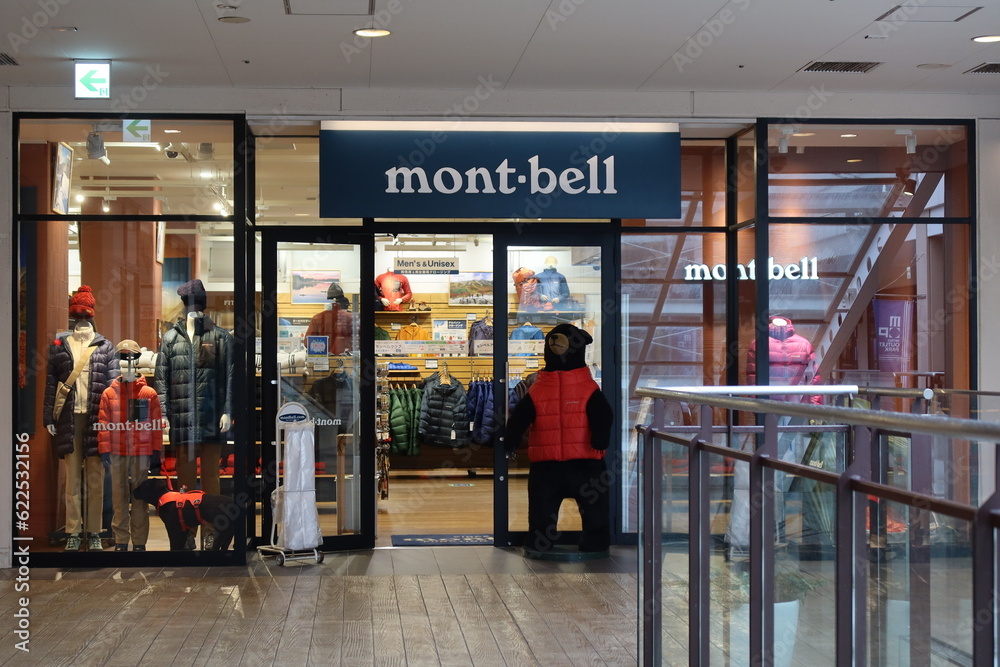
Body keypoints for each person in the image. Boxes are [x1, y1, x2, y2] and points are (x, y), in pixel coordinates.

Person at [504, 323, 613, 553]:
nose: (555, 342)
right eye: (552, 339)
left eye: (561, 339)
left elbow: (603, 415)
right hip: (547, 463)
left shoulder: (587, 387)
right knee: (542, 509)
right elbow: (521, 416)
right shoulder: (540, 387)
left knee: (594, 507)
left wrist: (601, 439)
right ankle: (539, 542)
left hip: (585, 461)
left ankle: (596, 541)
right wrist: (510, 438)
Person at [154, 279, 233, 549]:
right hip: (181, 419)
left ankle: (211, 532)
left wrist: (227, 411)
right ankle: (185, 531)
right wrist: (164, 414)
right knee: (184, 481)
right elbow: (161, 379)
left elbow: (230, 378)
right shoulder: (170, 338)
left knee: (212, 476)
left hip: (211, 418)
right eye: (191, 304)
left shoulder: (221, 337)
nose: (194, 309)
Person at [43, 285, 120, 551]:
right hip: (68, 418)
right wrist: (48, 417)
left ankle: (95, 531)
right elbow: (51, 384)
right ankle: (74, 530)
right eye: (78, 316)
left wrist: (112, 420)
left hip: (96, 419)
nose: (82, 321)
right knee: (72, 478)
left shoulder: (105, 346)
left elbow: (114, 389)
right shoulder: (60, 346)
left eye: (85, 316)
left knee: (96, 477)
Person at [98, 339, 163, 552]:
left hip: (141, 452)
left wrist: (155, 451)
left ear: (137, 360)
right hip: (117, 452)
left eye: (131, 357)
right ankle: (121, 541)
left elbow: (154, 426)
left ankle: (140, 542)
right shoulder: (109, 394)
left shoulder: (148, 394)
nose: (127, 361)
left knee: (139, 500)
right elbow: (103, 423)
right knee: (118, 498)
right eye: (123, 357)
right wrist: (105, 449)